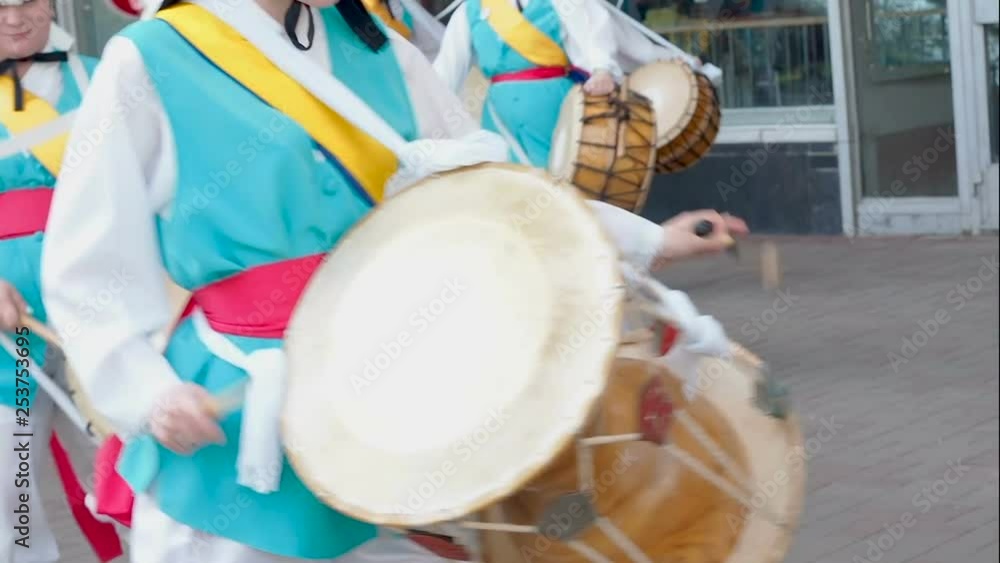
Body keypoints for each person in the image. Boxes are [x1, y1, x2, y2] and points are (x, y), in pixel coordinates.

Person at [40, 0, 745, 561]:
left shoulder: (378, 47)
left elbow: (495, 185)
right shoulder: (149, 58)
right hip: (243, 415)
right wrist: (148, 391)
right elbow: (87, 262)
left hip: (394, 387)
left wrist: (651, 239)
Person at [0, 3, 110, 562]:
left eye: (29, 1)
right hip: (11, 327)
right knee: (11, 482)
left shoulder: (105, 76)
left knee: (134, 471)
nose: (15, 18)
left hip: (103, 303)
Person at [432, 0, 621, 167]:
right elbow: (445, 71)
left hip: (556, 107)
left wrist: (603, 70)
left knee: (560, 180)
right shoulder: (470, 8)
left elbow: (592, 34)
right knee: (506, 180)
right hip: (498, 114)